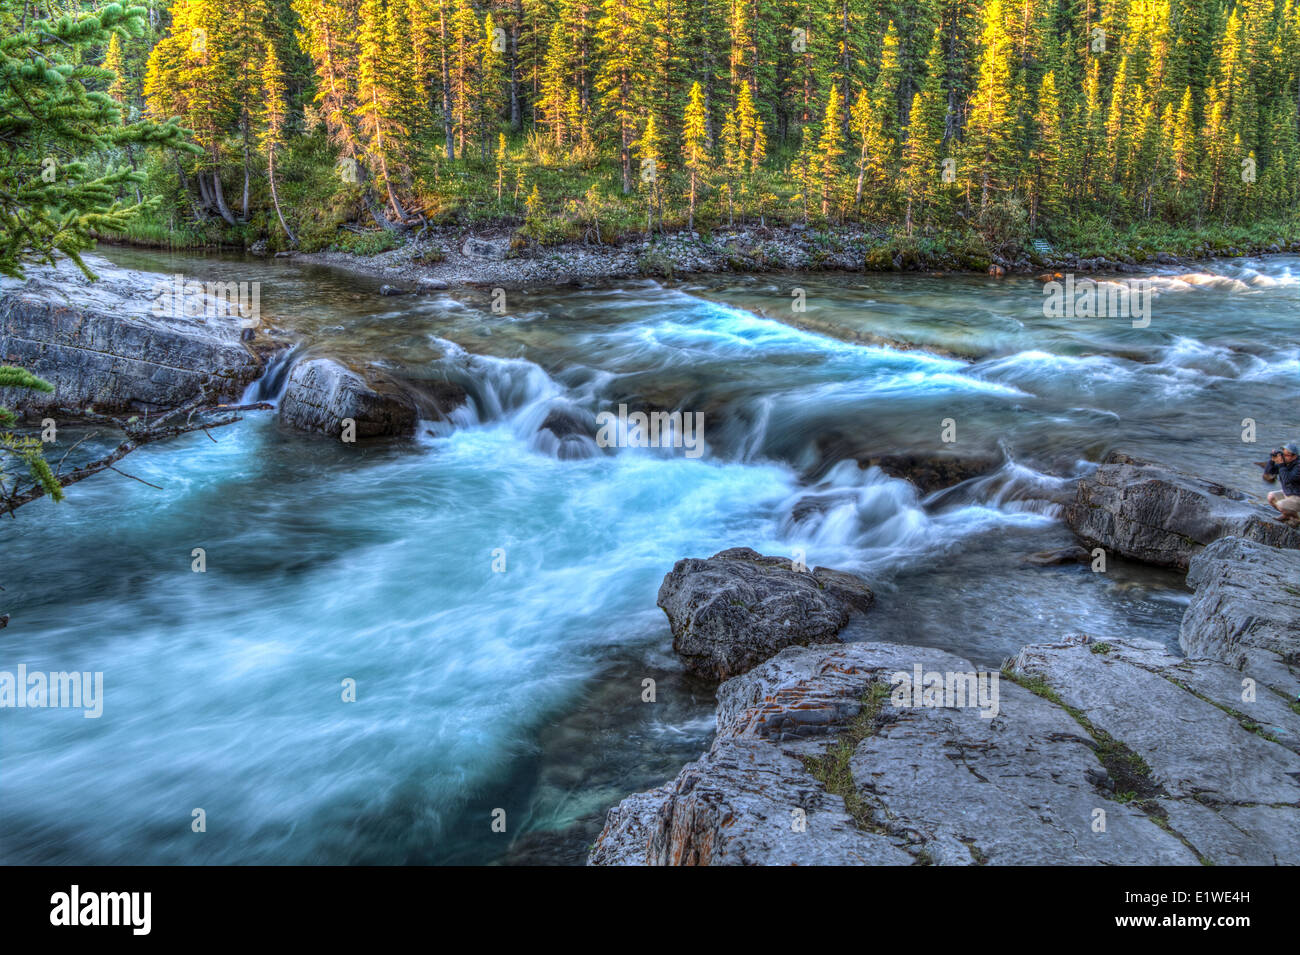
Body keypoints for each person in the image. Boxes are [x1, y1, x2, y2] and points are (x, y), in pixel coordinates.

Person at [1263, 442, 1300, 521]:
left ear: (1294, 456)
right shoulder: (1287, 463)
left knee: (1280, 505)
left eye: (1287, 455)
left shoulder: (1298, 466)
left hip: (1297, 496)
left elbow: (1287, 480)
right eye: (1283, 454)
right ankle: (1287, 515)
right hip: (1289, 493)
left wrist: (1281, 464)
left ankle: (1296, 519)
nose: (1284, 457)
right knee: (1270, 496)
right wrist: (1272, 461)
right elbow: (1268, 472)